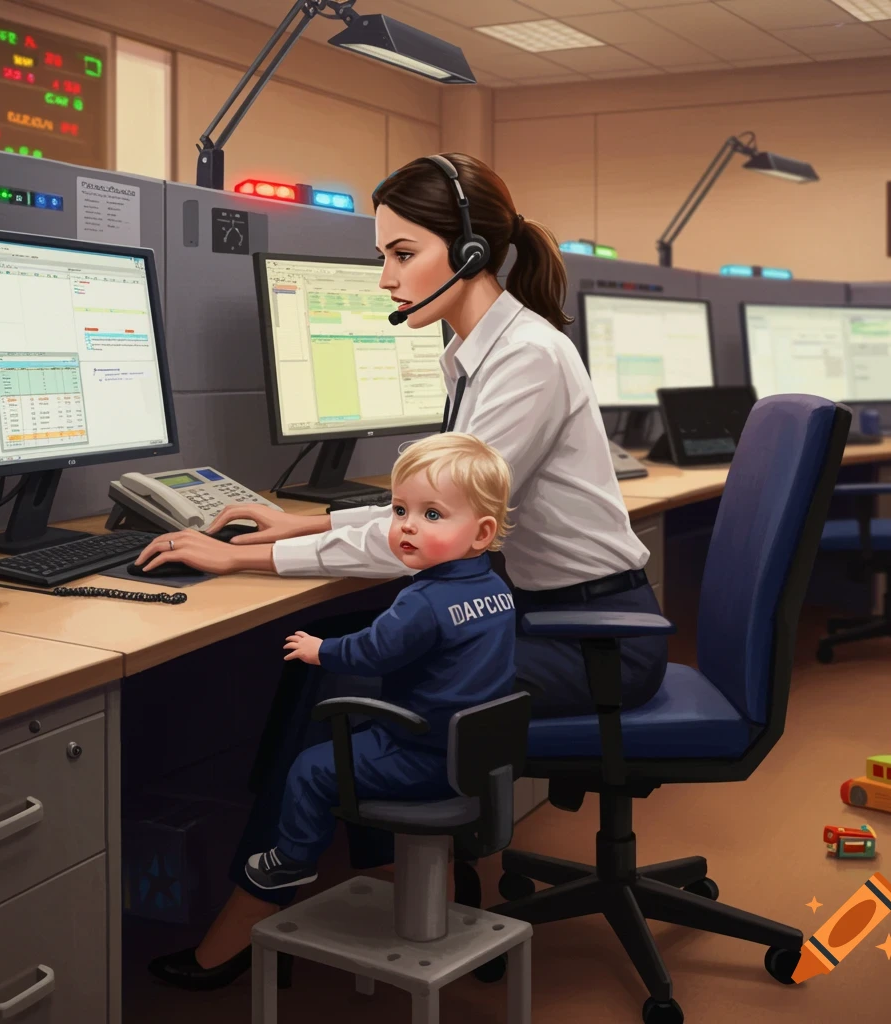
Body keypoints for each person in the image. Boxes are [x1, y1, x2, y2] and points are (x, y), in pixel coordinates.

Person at [142, 153, 666, 990]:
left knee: (353, 676)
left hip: (592, 638)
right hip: (538, 614)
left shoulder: (526, 359)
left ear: (466, 255)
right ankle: (377, 877)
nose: (383, 276)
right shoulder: (482, 353)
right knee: (345, 654)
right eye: (381, 254)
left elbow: (425, 537)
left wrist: (248, 554)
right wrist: (303, 521)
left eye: (400, 253)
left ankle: (248, 916)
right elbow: (433, 511)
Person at [242, 432, 516, 895]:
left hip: (423, 755)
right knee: (357, 716)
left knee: (312, 766)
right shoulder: (497, 590)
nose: (407, 526)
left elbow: (371, 650)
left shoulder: (423, 601)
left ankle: (293, 860)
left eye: (432, 515)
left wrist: (319, 649)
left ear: (482, 532)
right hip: (474, 751)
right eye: (399, 510)